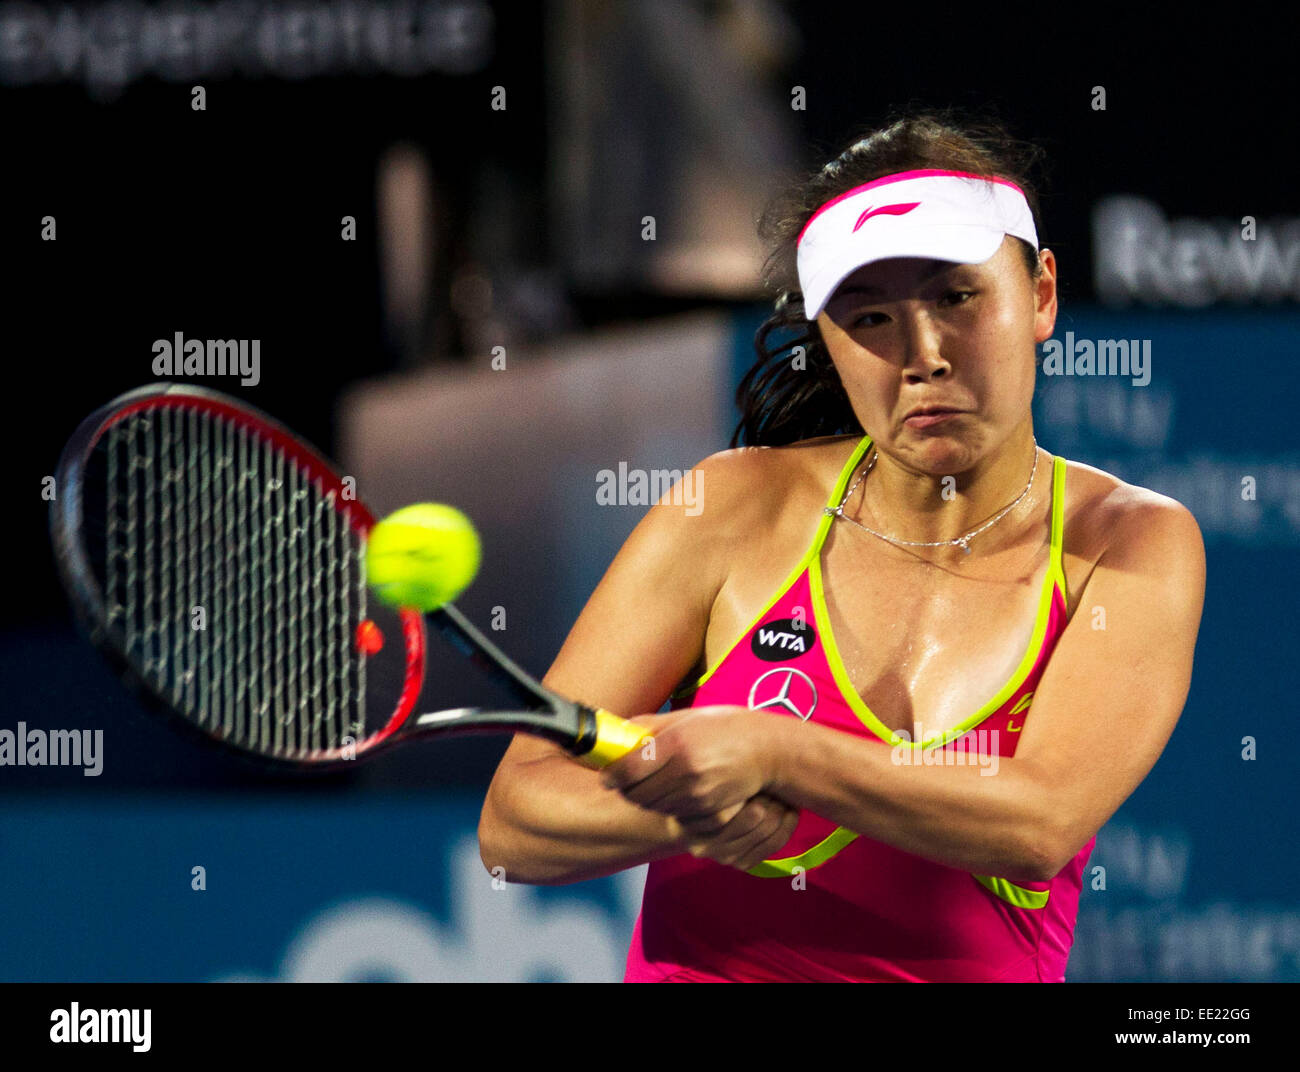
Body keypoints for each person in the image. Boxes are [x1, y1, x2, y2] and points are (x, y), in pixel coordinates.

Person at [478, 112, 1206, 982]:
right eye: (870, 319)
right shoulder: (732, 505)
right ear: (827, 340)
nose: (923, 355)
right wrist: (687, 814)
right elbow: (514, 823)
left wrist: (781, 753)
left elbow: (1038, 822)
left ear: (1042, 293)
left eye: (956, 297)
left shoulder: (1130, 540)